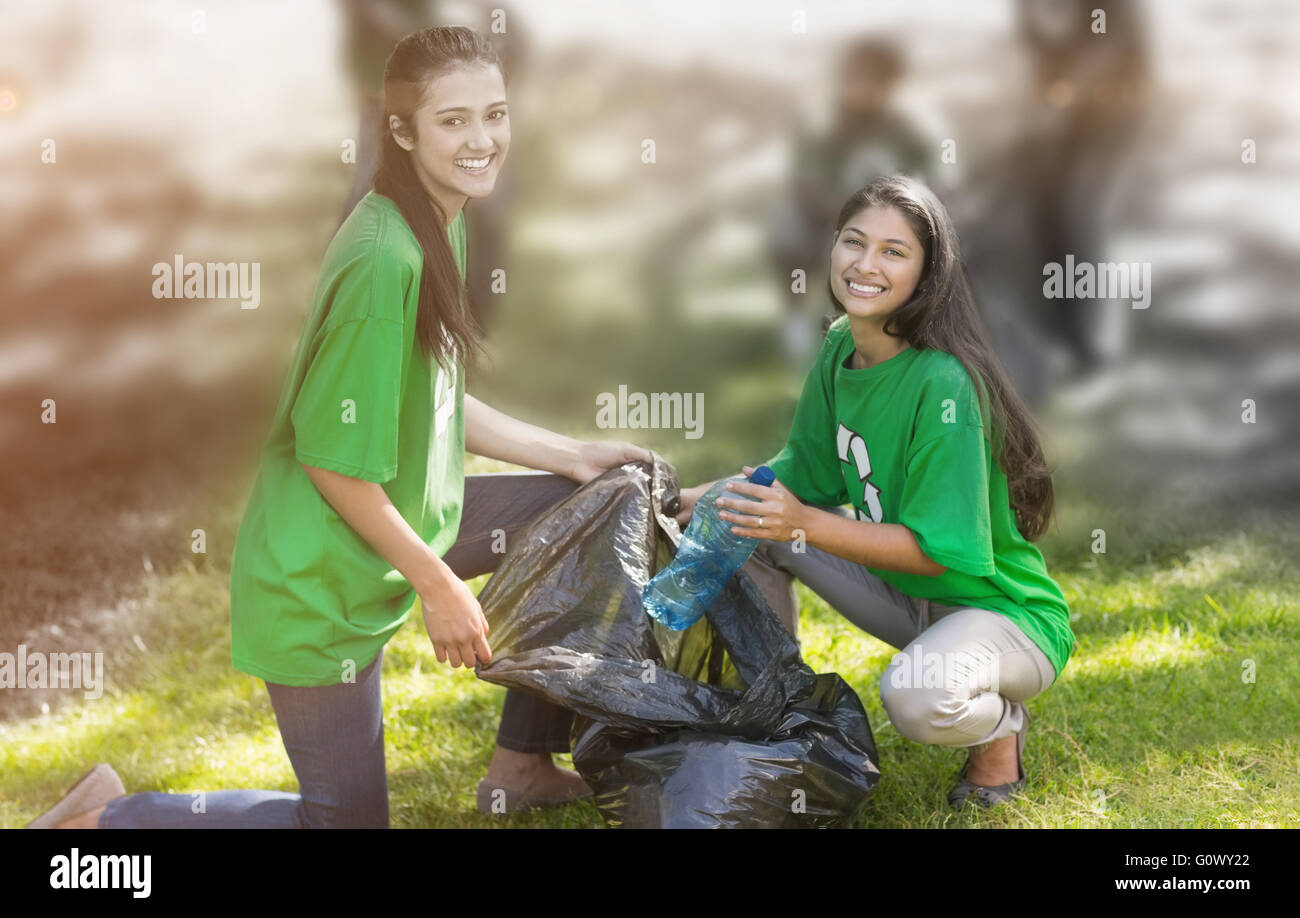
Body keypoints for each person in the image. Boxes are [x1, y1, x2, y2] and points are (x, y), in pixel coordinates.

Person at [29, 26, 651, 830]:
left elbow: (431, 397)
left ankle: (522, 762)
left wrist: (572, 456)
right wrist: (439, 588)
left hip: (407, 528)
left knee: (589, 506)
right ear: (400, 131)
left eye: (494, 115)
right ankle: (110, 819)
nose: (482, 140)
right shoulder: (383, 259)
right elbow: (334, 465)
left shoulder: (437, 218)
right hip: (319, 583)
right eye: (453, 121)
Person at [680, 175, 1075, 809]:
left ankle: (1001, 733)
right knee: (745, 521)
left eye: (894, 251)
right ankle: (778, 714)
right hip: (907, 601)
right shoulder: (841, 344)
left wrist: (801, 522)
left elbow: (932, 554)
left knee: (915, 698)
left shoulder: (943, 384)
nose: (866, 264)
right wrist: (695, 494)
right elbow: (801, 471)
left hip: (1000, 617)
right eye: (854, 242)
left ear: (929, 273)